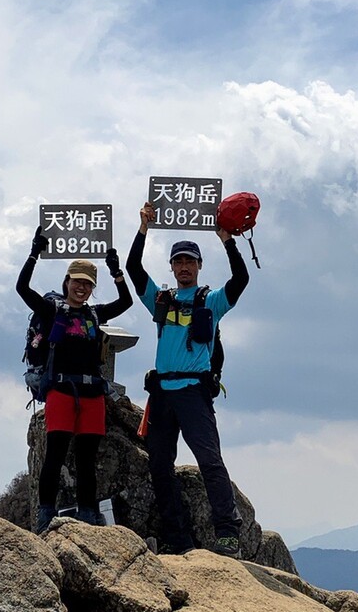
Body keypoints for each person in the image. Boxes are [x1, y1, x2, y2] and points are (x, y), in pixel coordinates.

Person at [126, 202, 249, 556]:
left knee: (210, 461)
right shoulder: (160, 301)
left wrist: (227, 241)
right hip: (162, 394)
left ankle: (227, 533)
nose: (183, 267)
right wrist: (143, 229)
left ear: (198, 266)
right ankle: (176, 537)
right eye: (178, 261)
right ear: (172, 266)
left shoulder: (210, 301)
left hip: (194, 392)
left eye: (189, 261)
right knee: (160, 465)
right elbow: (134, 269)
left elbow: (240, 281)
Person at [17, 227, 133, 532]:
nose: (81, 288)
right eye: (76, 282)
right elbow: (22, 289)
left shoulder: (95, 314)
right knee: (55, 453)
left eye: (87, 284)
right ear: (66, 282)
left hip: (92, 392)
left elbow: (126, 302)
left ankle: (87, 512)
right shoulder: (52, 309)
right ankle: (46, 512)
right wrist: (34, 254)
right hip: (61, 390)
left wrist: (116, 271)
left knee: (87, 458)